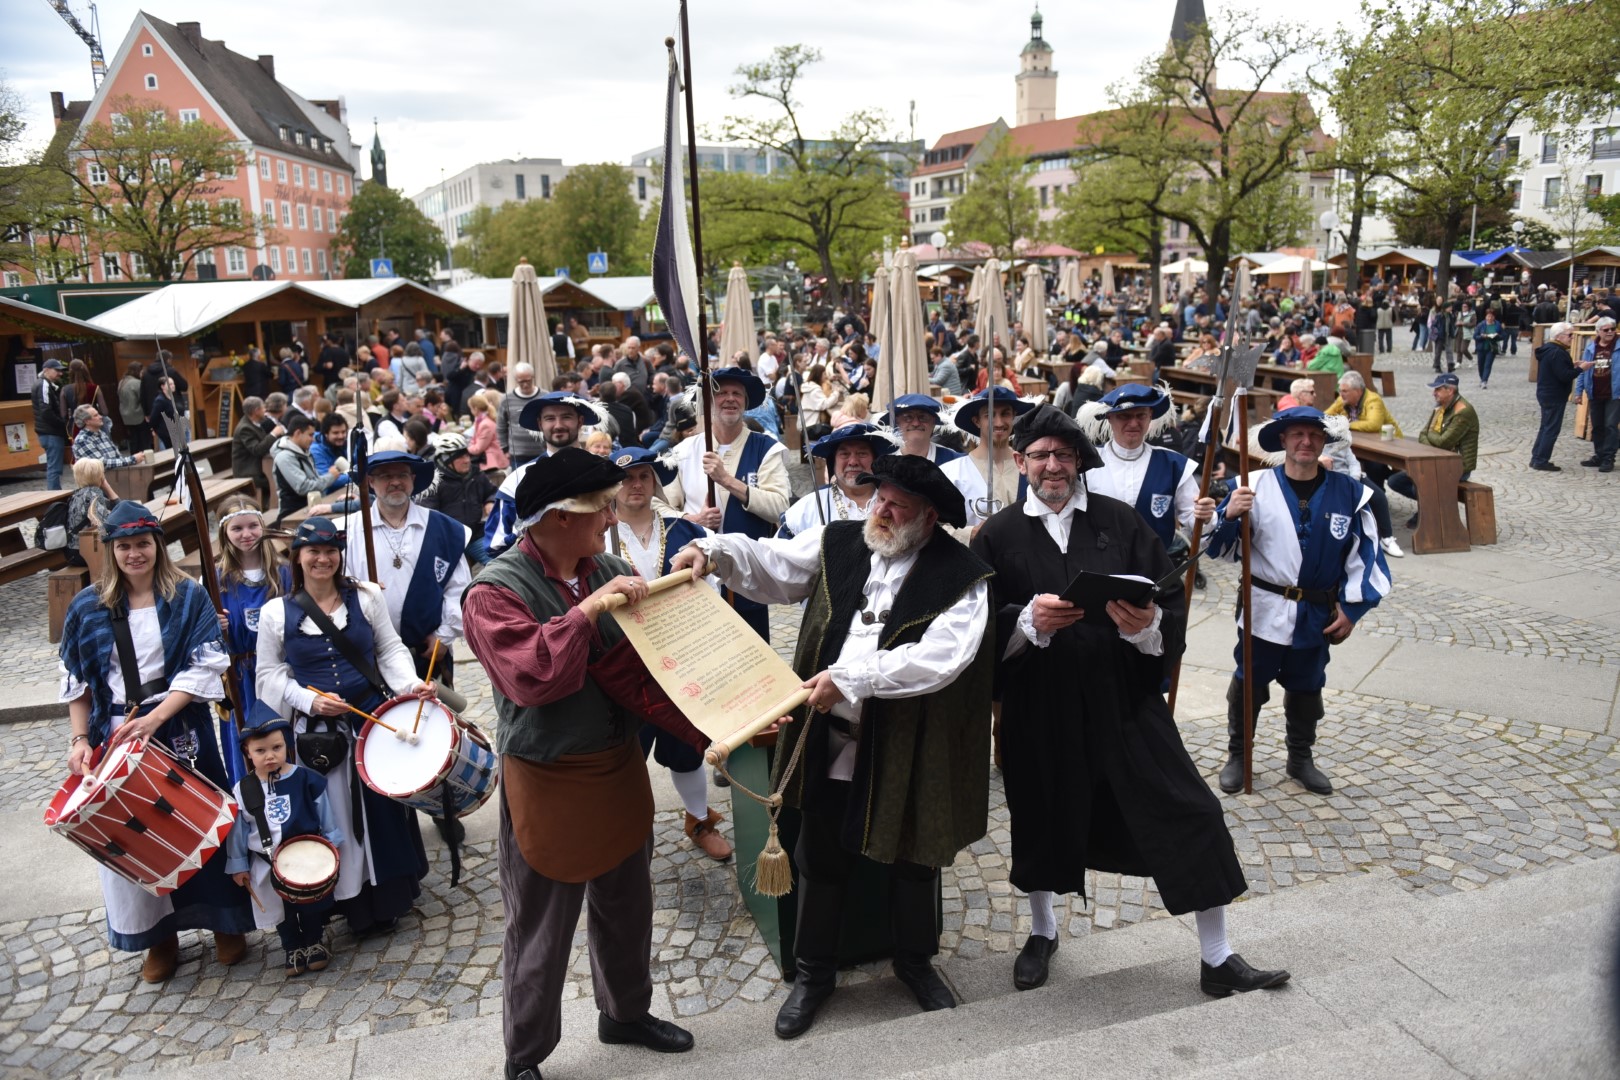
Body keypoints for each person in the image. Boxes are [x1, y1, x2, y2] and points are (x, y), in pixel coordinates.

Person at [671, 453, 994, 1036]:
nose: (881, 511)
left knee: (913, 859)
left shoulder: (961, 574)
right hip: (827, 737)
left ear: (928, 516)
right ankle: (814, 976)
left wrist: (852, 678)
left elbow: (943, 657)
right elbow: (773, 562)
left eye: (897, 505)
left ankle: (915, 963)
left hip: (905, 745)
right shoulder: (841, 540)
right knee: (820, 856)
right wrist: (713, 552)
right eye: (879, 498)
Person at [968, 404, 1285, 998]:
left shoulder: (1120, 522)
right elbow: (974, 626)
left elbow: (1168, 600)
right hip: (1039, 706)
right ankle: (1042, 931)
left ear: (1080, 460)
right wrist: (1027, 622)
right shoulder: (997, 535)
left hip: (1123, 697)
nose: (1053, 466)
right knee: (1039, 818)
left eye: (1064, 455)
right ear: (1020, 461)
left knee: (1192, 810)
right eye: (1040, 455)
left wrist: (1146, 627)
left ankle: (1217, 956)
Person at [461, 450, 702, 1079]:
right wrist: (588, 610)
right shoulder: (493, 592)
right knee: (540, 929)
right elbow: (531, 677)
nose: (612, 516)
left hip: (618, 768)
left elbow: (663, 660)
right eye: (601, 507)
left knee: (628, 908)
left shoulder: (612, 568)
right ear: (560, 517)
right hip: (549, 780)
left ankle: (625, 1014)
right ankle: (524, 1054)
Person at [58, 500, 252, 981]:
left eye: (142, 543)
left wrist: (157, 717)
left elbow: (205, 665)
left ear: (157, 546)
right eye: (124, 546)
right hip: (117, 732)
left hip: (180, 724)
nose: (134, 554)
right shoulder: (87, 607)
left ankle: (224, 921)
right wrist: (80, 739)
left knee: (202, 823)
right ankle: (158, 937)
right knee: (130, 833)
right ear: (111, 550)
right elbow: (78, 682)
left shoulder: (187, 596)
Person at [255, 516, 432, 936]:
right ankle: (351, 904)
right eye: (313, 551)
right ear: (297, 557)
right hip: (319, 737)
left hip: (372, 722)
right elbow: (268, 674)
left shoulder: (367, 596)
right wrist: (309, 700)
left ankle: (388, 899)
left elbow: (389, 648)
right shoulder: (275, 612)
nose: (323, 559)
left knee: (380, 811)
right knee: (334, 814)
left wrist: (410, 684)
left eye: (331, 551)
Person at [1207, 407, 1392, 796]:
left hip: (1316, 612)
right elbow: (1219, 550)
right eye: (1297, 435)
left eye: (1314, 435)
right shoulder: (1252, 485)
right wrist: (1229, 515)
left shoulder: (1350, 492)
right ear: (1284, 441)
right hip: (1262, 608)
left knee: (1308, 685)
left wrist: (1353, 609)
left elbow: (1367, 553)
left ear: (1324, 441)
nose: (1306, 442)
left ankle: (1300, 758)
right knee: (1249, 681)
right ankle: (1239, 756)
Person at [603, 446, 731, 862]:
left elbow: (711, 594)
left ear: (655, 481)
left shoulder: (684, 530)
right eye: (626, 478)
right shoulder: (597, 536)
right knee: (625, 753)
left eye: (644, 476)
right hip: (623, 667)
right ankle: (624, 833)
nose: (635, 485)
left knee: (686, 749)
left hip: (680, 662)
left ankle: (700, 819)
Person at [662, 367, 792, 641]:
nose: (730, 399)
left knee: (753, 651)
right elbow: (659, 508)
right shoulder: (683, 451)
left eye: (737, 394)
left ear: (746, 402)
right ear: (709, 402)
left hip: (748, 575)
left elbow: (780, 508)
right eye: (721, 393)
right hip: (698, 576)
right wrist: (691, 519)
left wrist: (727, 481)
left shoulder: (767, 448)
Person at [224, 707, 345, 976]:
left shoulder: (305, 778)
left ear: (287, 745)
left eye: (276, 747)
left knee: (309, 904)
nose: (270, 756)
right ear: (247, 752)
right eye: (260, 750)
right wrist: (238, 864)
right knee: (281, 910)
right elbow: (238, 831)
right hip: (266, 863)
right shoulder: (243, 790)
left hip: (306, 858)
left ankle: (314, 942)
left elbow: (325, 812)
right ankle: (292, 947)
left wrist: (332, 843)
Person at [343, 451, 471, 687]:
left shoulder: (444, 529)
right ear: (370, 482)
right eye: (385, 476)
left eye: (402, 475)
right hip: (370, 654)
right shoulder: (349, 531)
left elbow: (459, 589)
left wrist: (444, 636)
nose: (395, 482)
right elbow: (338, 589)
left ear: (413, 479)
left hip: (428, 653)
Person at [1076, 384, 1214, 553]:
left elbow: (1194, 519)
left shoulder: (1173, 464)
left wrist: (1206, 516)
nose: (1134, 423)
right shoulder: (1086, 462)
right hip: (1100, 562)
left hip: (1155, 565)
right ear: (1110, 417)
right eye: (1125, 415)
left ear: (1150, 416)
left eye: (1141, 415)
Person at [214, 497, 293, 784]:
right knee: (248, 744)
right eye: (237, 528)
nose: (246, 534)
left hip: (279, 673)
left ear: (263, 527)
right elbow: (201, 639)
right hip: (240, 678)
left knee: (281, 739)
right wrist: (214, 627)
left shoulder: (284, 573)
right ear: (225, 533)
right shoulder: (215, 579)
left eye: (252, 526)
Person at [485, 392, 594, 558]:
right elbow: (495, 545)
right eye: (550, 418)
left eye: (566, 417)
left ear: (580, 421)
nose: (558, 425)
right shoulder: (518, 480)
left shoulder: (603, 470)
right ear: (540, 423)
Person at [1388, 374, 1478, 527]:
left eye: (1437, 389)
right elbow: (1422, 435)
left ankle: (1428, 512)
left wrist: (1430, 434)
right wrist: (1431, 436)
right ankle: (1430, 506)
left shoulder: (1463, 411)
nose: (1433, 393)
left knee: (1422, 484)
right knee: (1395, 481)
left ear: (1450, 390)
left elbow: (1443, 443)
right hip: (1434, 461)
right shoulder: (1440, 407)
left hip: (1457, 466)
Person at [778, 423, 893, 538]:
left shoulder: (896, 501)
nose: (853, 462)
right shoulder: (808, 508)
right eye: (845, 454)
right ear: (833, 463)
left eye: (862, 454)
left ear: (875, 460)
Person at [953, 386, 1034, 521]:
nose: (999, 423)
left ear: (1013, 417)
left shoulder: (1032, 467)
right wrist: (970, 531)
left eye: (1005, 414)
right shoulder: (954, 473)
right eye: (990, 415)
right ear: (977, 421)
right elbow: (938, 526)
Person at [418, 433, 497, 566]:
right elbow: (428, 515)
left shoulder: (476, 474)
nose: (467, 460)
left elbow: (492, 492)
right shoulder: (432, 482)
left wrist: (490, 501)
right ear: (446, 459)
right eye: (460, 457)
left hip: (475, 535)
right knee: (453, 575)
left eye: (467, 455)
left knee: (498, 564)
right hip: (448, 541)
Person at [271, 415, 339, 525]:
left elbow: (313, 479)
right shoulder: (284, 457)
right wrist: (331, 476)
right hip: (292, 515)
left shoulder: (303, 451)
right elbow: (303, 487)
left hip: (307, 510)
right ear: (298, 433)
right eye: (310, 435)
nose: (313, 439)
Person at [1578, 316, 1618, 472]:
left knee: (1610, 426)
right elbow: (1583, 370)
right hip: (1595, 392)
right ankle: (1599, 455)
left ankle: (1608, 458)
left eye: (1613, 329)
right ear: (1598, 331)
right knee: (1597, 426)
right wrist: (1579, 391)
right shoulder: (1591, 348)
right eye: (1606, 329)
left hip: (1615, 394)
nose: (1610, 332)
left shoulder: (1618, 346)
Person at [64, 456, 117, 566]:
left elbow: (115, 507)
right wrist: (107, 486)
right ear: (100, 476)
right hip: (85, 553)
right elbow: (110, 521)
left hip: (73, 550)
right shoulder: (92, 495)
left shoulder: (79, 494)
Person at [232, 396, 283, 508]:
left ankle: (265, 509)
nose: (265, 410)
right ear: (256, 411)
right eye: (263, 407)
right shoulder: (245, 428)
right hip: (248, 472)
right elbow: (257, 450)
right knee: (276, 480)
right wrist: (274, 434)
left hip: (259, 468)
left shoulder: (256, 422)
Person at [71, 405, 148, 472]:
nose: (100, 417)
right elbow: (101, 464)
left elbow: (117, 457)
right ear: (87, 421)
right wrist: (132, 459)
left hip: (115, 477)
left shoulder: (102, 434)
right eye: (96, 415)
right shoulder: (83, 440)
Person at [498, 364, 547, 466]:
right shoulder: (507, 399)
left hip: (542, 451)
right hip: (517, 454)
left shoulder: (544, 396)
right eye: (521, 381)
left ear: (533, 377)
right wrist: (505, 449)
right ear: (516, 380)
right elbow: (501, 426)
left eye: (528, 381)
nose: (525, 385)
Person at [33, 358, 69, 489]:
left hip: (48, 432)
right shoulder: (44, 384)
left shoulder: (44, 384)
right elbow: (46, 411)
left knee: (53, 467)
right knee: (54, 469)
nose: (60, 373)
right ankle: (55, 496)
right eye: (57, 370)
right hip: (50, 433)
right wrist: (62, 424)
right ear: (46, 370)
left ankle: (55, 495)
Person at [1473, 309, 1504, 389]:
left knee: (1488, 365)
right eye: (1488, 316)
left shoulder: (1497, 325)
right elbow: (1475, 336)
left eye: (1491, 317)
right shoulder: (1481, 325)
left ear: (1494, 317)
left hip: (1491, 348)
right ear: (1486, 317)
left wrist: (1497, 336)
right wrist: (1482, 336)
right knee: (1481, 365)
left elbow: (1503, 335)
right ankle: (1482, 378)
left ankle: (1484, 381)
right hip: (1481, 347)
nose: (1490, 318)